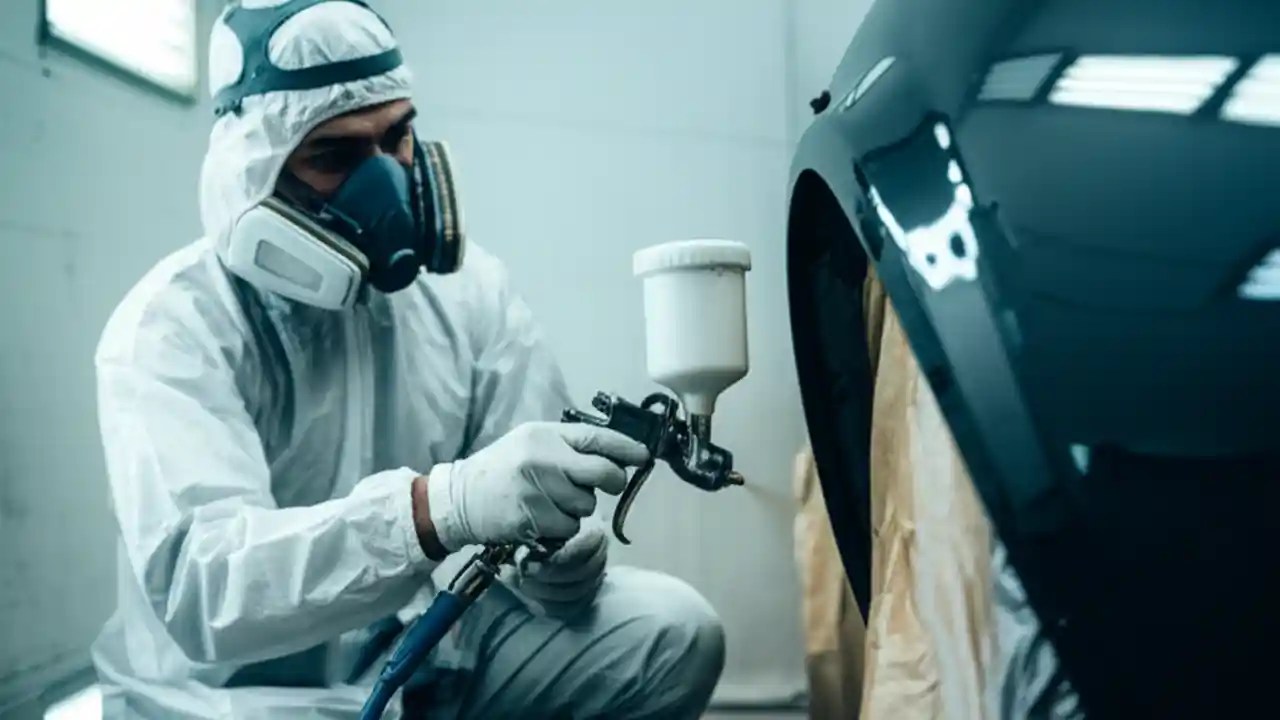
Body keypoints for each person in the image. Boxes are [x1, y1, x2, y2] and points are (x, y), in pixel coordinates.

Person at [90, 1, 725, 717]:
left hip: (417, 653)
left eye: (397, 138)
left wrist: (561, 555)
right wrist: (433, 511)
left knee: (670, 635)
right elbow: (204, 588)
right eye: (334, 156)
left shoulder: (468, 293)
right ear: (256, 175)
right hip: (230, 697)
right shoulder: (174, 326)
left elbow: (537, 524)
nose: (387, 184)